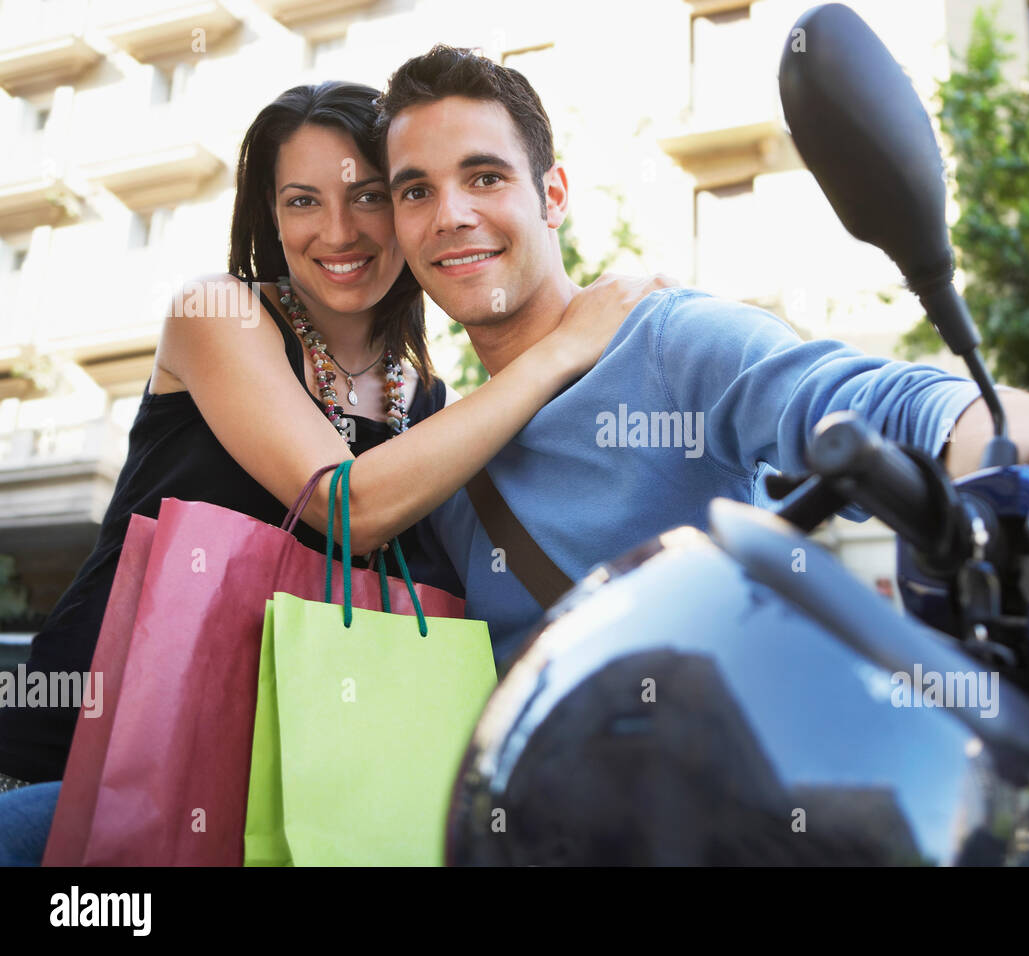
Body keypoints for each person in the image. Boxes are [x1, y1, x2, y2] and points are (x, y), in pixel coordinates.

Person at [376, 45, 1029, 766]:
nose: (450, 213)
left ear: (553, 194)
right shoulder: (437, 460)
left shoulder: (669, 342)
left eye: (485, 176)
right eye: (416, 190)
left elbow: (882, 405)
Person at [0, 80, 668, 864]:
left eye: (369, 197)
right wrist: (563, 349)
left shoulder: (425, 398)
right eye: (302, 202)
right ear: (271, 219)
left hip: (275, 793)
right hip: (91, 761)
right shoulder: (218, 315)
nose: (339, 232)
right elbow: (346, 506)